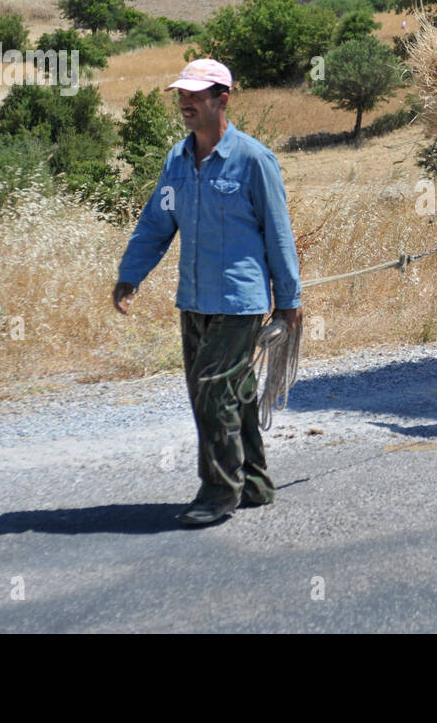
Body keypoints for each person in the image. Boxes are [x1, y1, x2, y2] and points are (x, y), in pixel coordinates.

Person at [113, 59, 302, 527]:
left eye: (195, 95)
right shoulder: (177, 162)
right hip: (194, 299)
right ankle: (255, 482)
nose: (185, 102)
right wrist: (130, 275)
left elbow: (278, 234)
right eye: (182, 94)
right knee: (233, 393)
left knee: (211, 392)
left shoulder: (253, 160)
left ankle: (219, 492)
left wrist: (289, 301)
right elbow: (157, 224)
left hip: (240, 300)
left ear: (223, 98)